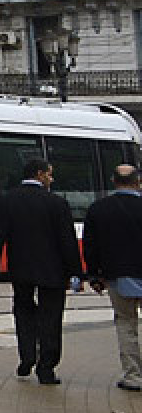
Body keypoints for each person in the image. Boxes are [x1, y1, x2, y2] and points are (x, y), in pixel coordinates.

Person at [0, 158, 83, 384]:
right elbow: (67, 241)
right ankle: (46, 367)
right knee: (51, 317)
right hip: (53, 271)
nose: (51, 179)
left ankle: (27, 356)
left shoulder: (7, 201)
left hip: (21, 269)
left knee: (23, 311)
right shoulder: (57, 203)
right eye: (49, 174)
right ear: (40, 174)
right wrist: (75, 272)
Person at [81, 163, 142, 392]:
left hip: (118, 277)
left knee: (126, 324)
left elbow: (90, 246)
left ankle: (133, 376)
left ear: (114, 181)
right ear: (138, 182)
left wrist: (95, 275)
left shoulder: (99, 209)